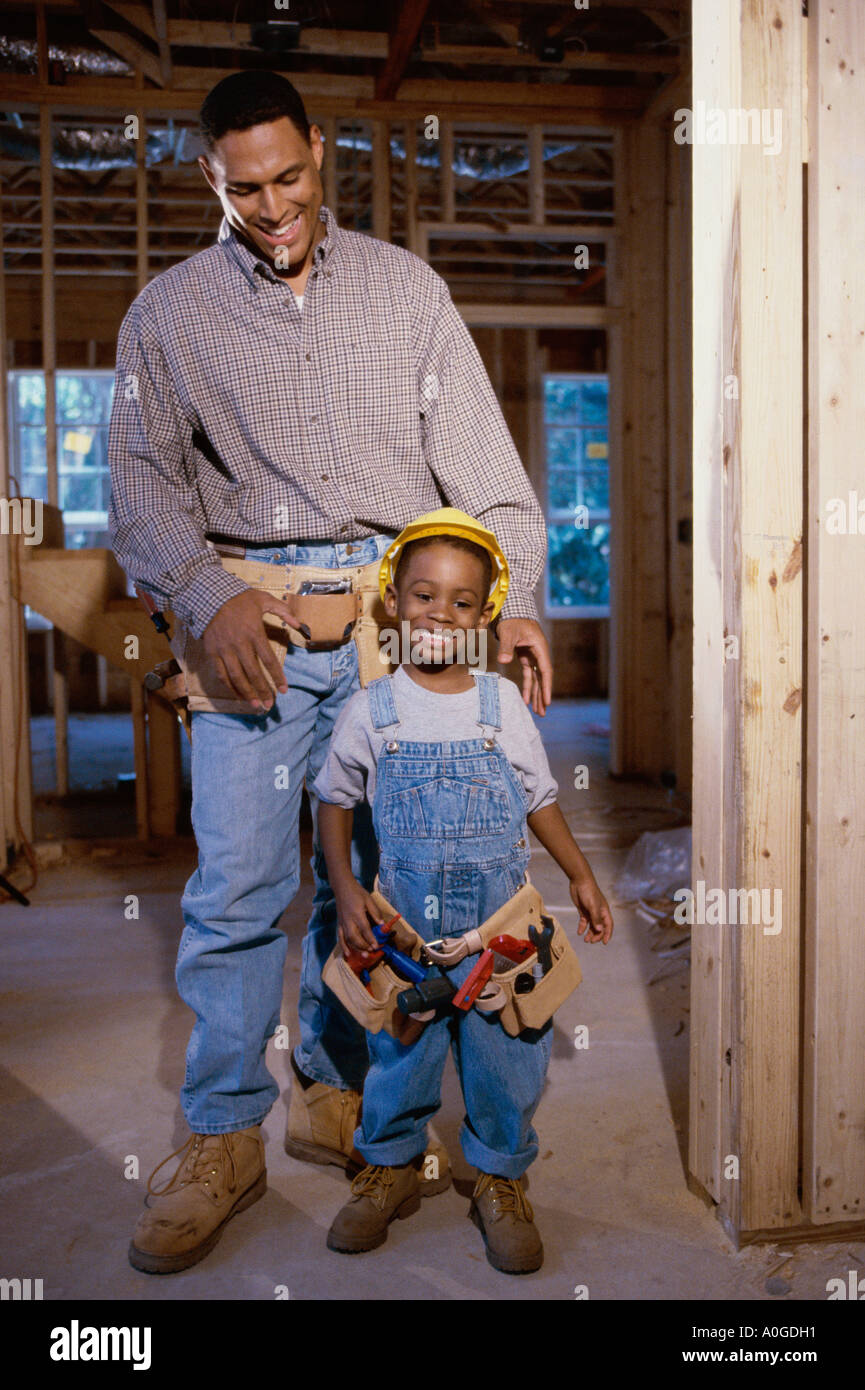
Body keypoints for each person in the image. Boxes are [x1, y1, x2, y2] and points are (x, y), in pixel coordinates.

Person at [108, 71, 555, 1275]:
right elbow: (140, 487)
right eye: (244, 186)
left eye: (290, 177)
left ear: (321, 152)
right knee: (242, 889)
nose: (272, 204)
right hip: (245, 635)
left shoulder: (407, 295)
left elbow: (488, 471)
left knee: (377, 887)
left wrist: (517, 602)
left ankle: (339, 1092)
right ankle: (218, 1137)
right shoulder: (168, 314)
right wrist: (207, 597)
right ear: (212, 174)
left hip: (392, 635)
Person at [313, 509, 614, 1273]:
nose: (438, 615)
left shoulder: (499, 705)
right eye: (421, 596)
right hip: (403, 930)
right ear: (393, 603)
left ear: (485, 615)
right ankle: (388, 1166)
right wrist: (346, 890)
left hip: (499, 927)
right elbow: (333, 800)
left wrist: (579, 875)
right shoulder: (370, 710)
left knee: (507, 1048)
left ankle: (500, 1178)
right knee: (398, 1049)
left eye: (459, 602)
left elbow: (538, 796)